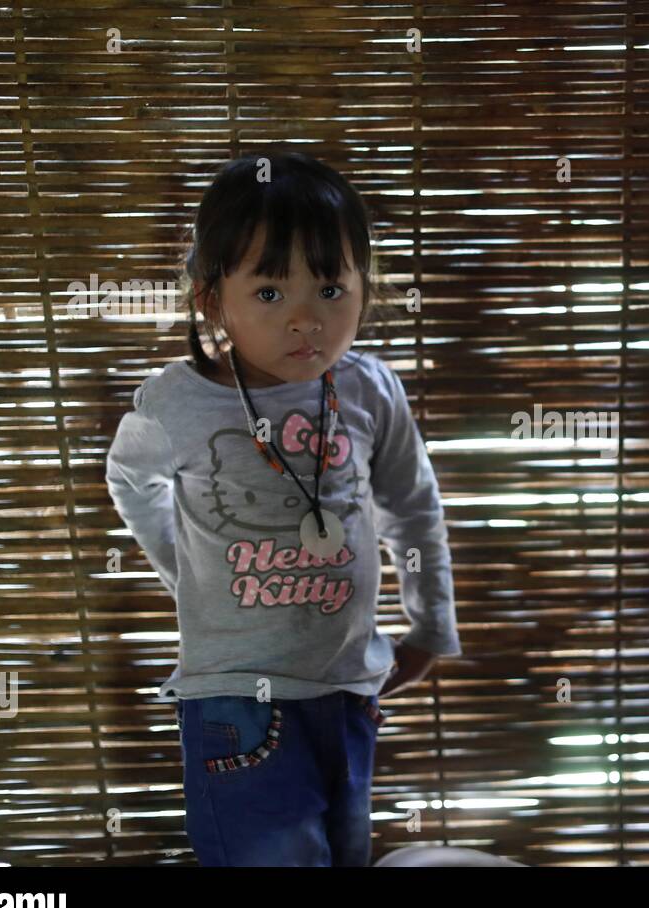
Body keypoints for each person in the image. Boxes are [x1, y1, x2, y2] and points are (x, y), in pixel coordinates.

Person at [105, 150, 460, 866]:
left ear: (365, 286)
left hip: (349, 689)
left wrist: (431, 622)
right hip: (236, 703)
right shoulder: (176, 402)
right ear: (212, 298)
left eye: (331, 288)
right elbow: (129, 482)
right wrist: (186, 570)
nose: (306, 320)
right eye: (270, 293)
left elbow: (412, 505)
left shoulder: (368, 388)